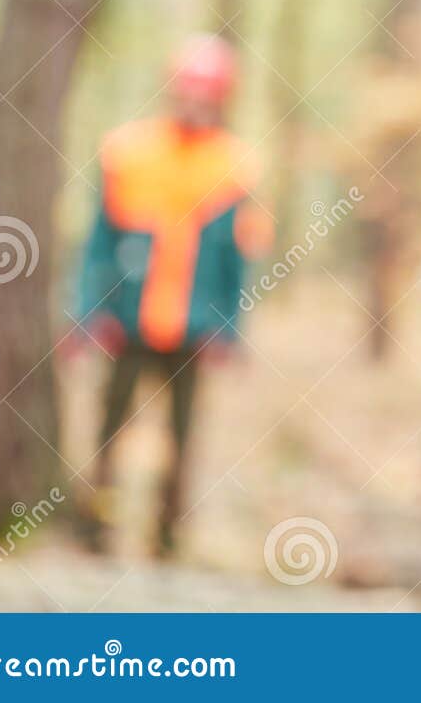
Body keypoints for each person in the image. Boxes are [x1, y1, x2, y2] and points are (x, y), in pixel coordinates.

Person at [73, 34, 271, 557]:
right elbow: (98, 245)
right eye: (189, 91)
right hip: (128, 319)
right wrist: (89, 313)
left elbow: (237, 262)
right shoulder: (129, 152)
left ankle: (167, 533)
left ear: (223, 98)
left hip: (194, 326)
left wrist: (229, 329)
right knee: (111, 425)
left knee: (182, 435)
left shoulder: (234, 166)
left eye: (207, 94)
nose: (196, 103)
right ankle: (95, 526)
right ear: (172, 91)